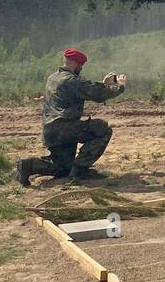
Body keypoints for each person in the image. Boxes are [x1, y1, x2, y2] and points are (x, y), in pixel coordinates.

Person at [15, 48, 127, 185]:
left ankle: (28, 166)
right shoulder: (71, 80)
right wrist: (120, 86)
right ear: (75, 63)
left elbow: (83, 90)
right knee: (102, 129)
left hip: (51, 131)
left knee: (62, 167)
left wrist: (103, 85)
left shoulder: (53, 78)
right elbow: (97, 94)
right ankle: (80, 170)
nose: (81, 68)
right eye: (81, 65)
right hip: (65, 128)